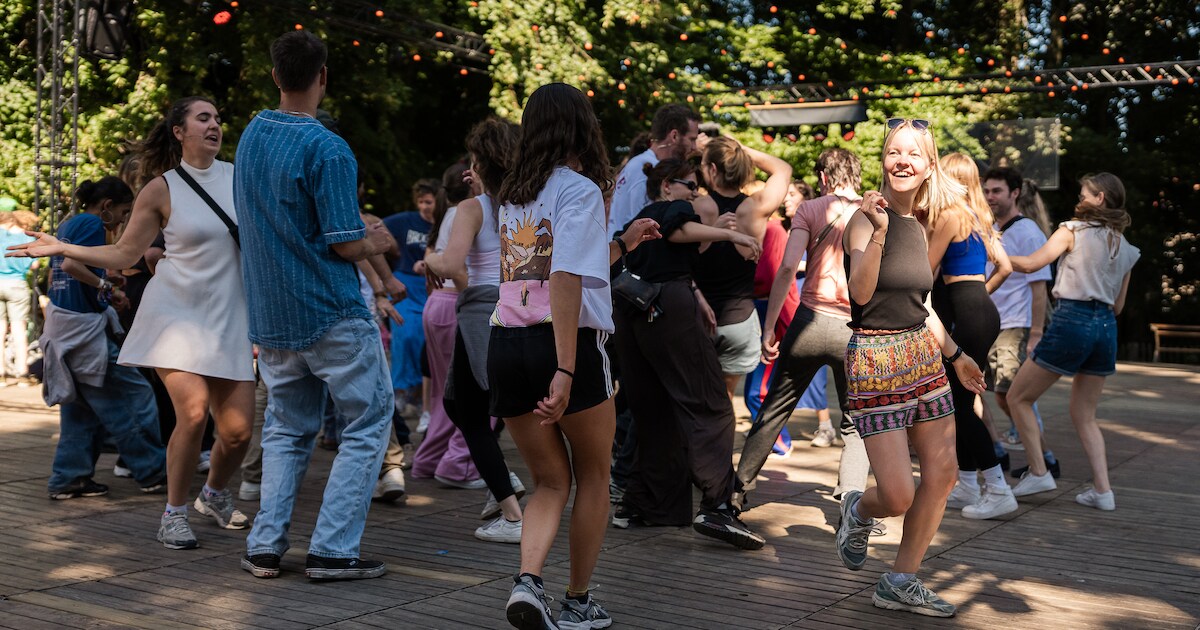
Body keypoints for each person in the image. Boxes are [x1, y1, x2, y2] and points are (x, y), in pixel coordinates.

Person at [12, 98, 256, 550]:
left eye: (218, 119)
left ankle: (213, 494)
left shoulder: (240, 177)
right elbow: (125, 253)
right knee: (193, 414)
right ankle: (173, 514)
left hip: (229, 317)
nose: (215, 125)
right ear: (179, 131)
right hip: (176, 316)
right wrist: (63, 248)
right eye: (203, 118)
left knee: (239, 431)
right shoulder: (161, 189)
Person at [491, 82, 659, 630]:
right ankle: (578, 601)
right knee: (593, 476)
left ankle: (527, 583)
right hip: (567, 345)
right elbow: (563, 277)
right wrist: (565, 367)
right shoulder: (579, 189)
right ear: (580, 126)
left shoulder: (513, 194)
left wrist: (623, 244)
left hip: (506, 342)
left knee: (548, 481)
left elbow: (548, 271)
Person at [234, 30, 399, 580]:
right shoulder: (328, 147)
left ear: (275, 75)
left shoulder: (251, 136)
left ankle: (264, 545)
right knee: (368, 423)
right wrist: (376, 240)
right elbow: (346, 244)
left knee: (285, 429)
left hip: (272, 317)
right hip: (330, 312)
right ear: (323, 76)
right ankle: (332, 549)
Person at [834, 118, 985, 618]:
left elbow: (923, 305)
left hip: (922, 356)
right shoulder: (864, 220)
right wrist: (879, 232)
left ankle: (900, 580)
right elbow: (860, 294)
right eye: (894, 152)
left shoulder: (920, 226)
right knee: (897, 496)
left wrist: (956, 356)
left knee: (943, 474)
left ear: (928, 165)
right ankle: (858, 508)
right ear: (884, 160)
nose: (902, 161)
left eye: (913, 153)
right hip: (876, 360)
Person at [611, 158, 765, 551]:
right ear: (666, 185)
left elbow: (674, 251)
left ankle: (645, 504)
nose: (696, 193)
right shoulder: (667, 209)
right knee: (711, 404)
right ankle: (718, 505)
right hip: (667, 310)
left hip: (632, 313)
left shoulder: (633, 225)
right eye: (689, 185)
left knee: (655, 411)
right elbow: (677, 229)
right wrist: (731, 234)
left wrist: (714, 237)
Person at [9, 178, 167, 499]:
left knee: (81, 408)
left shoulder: (69, 223)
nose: (123, 220)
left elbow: (59, 272)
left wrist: (103, 288)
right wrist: (105, 286)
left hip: (65, 327)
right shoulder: (93, 224)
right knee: (134, 398)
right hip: (83, 333)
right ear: (107, 206)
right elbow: (71, 263)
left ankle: (70, 477)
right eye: (123, 212)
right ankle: (151, 470)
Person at [734, 148, 870, 510]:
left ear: (823, 177)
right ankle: (851, 503)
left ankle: (735, 492)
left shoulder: (810, 209)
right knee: (854, 421)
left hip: (809, 319)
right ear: (857, 175)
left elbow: (786, 268)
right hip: (853, 328)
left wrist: (769, 327)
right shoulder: (874, 211)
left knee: (775, 409)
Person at [1007, 173, 1140, 510]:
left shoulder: (1072, 230)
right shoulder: (1127, 248)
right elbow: (1118, 306)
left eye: (1084, 194)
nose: (1079, 198)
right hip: (1106, 327)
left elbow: (1031, 264)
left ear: (1100, 198)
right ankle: (1103, 492)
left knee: (1017, 397)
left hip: (1072, 320)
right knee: (1085, 415)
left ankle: (1039, 471)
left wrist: (993, 252)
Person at [423, 117, 528, 545]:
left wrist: (428, 260)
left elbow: (451, 265)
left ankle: (512, 511)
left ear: (480, 163)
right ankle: (503, 486)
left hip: (481, 309)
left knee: (472, 409)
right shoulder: (527, 205)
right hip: (520, 306)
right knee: (465, 405)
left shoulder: (473, 209)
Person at [929, 153, 1016, 520]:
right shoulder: (978, 217)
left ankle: (998, 489)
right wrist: (980, 297)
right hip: (979, 310)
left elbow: (924, 270)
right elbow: (1005, 267)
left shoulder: (950, 216)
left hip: (967, 313)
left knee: (959, 406)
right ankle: (967, 483)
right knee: (958, 404)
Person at [693, 137, 793, 402]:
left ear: (712, 169)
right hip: (739, 321)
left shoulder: (698, 207)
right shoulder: (755, 207)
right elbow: (783, 169)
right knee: (725, 399)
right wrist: (741, 149)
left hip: (698, 317)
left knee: (696, 397)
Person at [981, 167, 1061, 478]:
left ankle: (1044, 461)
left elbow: (1039, 288)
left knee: (1011, 395)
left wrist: (1036, 333)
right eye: (987, 190)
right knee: (1002, 395)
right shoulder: (989, 228)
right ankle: (1039, 457)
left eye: (997, 191)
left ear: (1014, 193)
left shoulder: (1027, 232)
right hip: (991, 323)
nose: (990, 196)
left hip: (1016, 324)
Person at [411, 161, 483, 488]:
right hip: (457, 303)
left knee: (445, 392)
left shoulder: (447, 215)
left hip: (437, 304)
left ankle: (429, 458)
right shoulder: (469, 212)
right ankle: (458, 463)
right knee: (475, 391)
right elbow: (458, 268)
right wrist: (476, 298)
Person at [384, 179, 438, 429]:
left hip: (432, 285)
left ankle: (418, 393)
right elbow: (374, 227)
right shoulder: (405, 220)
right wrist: (392, 251)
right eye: (421, 201)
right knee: (404, 334)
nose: (425, 206)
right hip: (404, 284)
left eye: (429, 201)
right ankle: (400, 390)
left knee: (424, 339)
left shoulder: (446, 222)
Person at [606, 104, 701, 238]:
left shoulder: (642, 163)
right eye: (692, 139)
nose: (695, 147)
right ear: (674, 136)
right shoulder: (646, 169)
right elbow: (644, 229)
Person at [1, 209, 36, 385]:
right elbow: (35, 264)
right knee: (19, 329)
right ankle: (22, 374)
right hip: (17, 284)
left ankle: (1, 374)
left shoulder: (1, 234)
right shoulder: (27, 238)